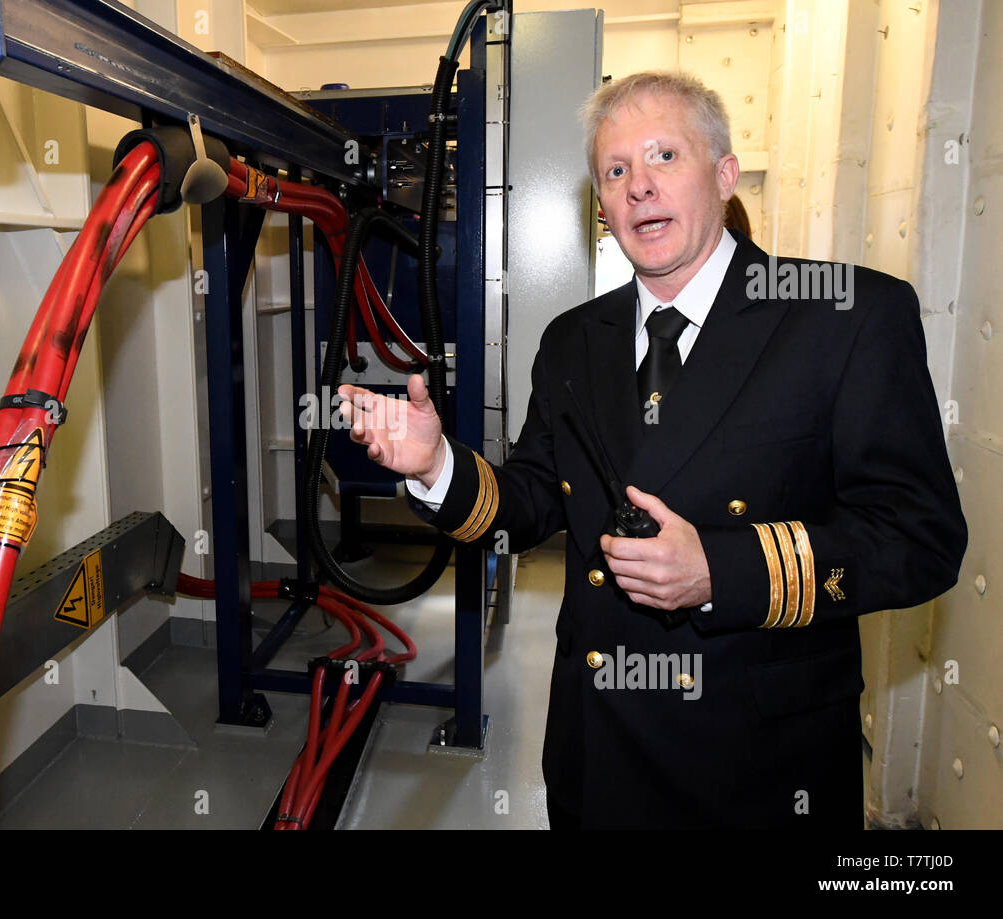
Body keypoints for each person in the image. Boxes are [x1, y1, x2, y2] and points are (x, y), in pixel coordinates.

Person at [336, 70, 967, 829]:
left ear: (724, 174)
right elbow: (534, 499)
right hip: (596, 753)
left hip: (760, 768)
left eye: (665, 155)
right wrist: (436, 466)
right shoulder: (572, 341)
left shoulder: (846, 316)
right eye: (615, 170)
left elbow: (919, 536)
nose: (639, 185)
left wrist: (717, 571)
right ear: (600, 207)